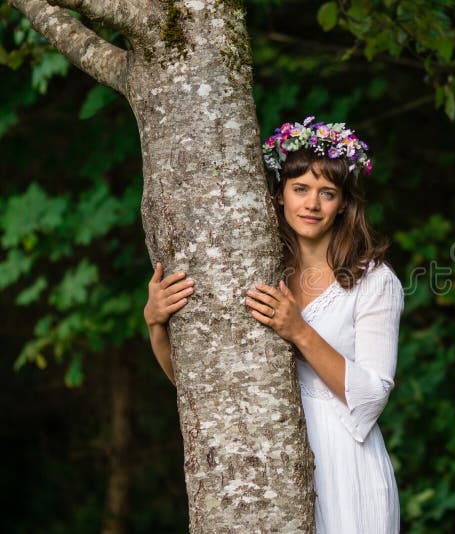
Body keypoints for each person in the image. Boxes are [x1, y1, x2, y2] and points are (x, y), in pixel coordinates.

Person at [143, 117, 404, 533]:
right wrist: (156, 323)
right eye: (300, 188)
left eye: (327, 193)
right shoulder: (255, 271)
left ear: (343, 203)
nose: (312, 204)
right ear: (280, 194)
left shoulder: (373, 281)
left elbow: (372, 397)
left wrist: (299, 330)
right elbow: (199, 388)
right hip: (267, 465)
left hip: (345, 465)